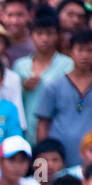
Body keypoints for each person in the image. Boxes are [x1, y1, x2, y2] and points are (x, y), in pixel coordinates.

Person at [36, 28, 92, 169]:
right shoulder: (55, 85)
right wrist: (44, 157)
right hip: (58, 159)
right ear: (70, 52)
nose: (85, 55)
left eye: (90, 50)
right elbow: (43, 123)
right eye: (80, 50)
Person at [15, 11, 72, 143]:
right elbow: (14, 98)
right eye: (39, 33)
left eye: (49, 33)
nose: (44, 39)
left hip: (55, 129)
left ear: (57, 35)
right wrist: (23, 88)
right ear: (31, 36)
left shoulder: (67, 64)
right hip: (25, 130)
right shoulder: (20, 65)